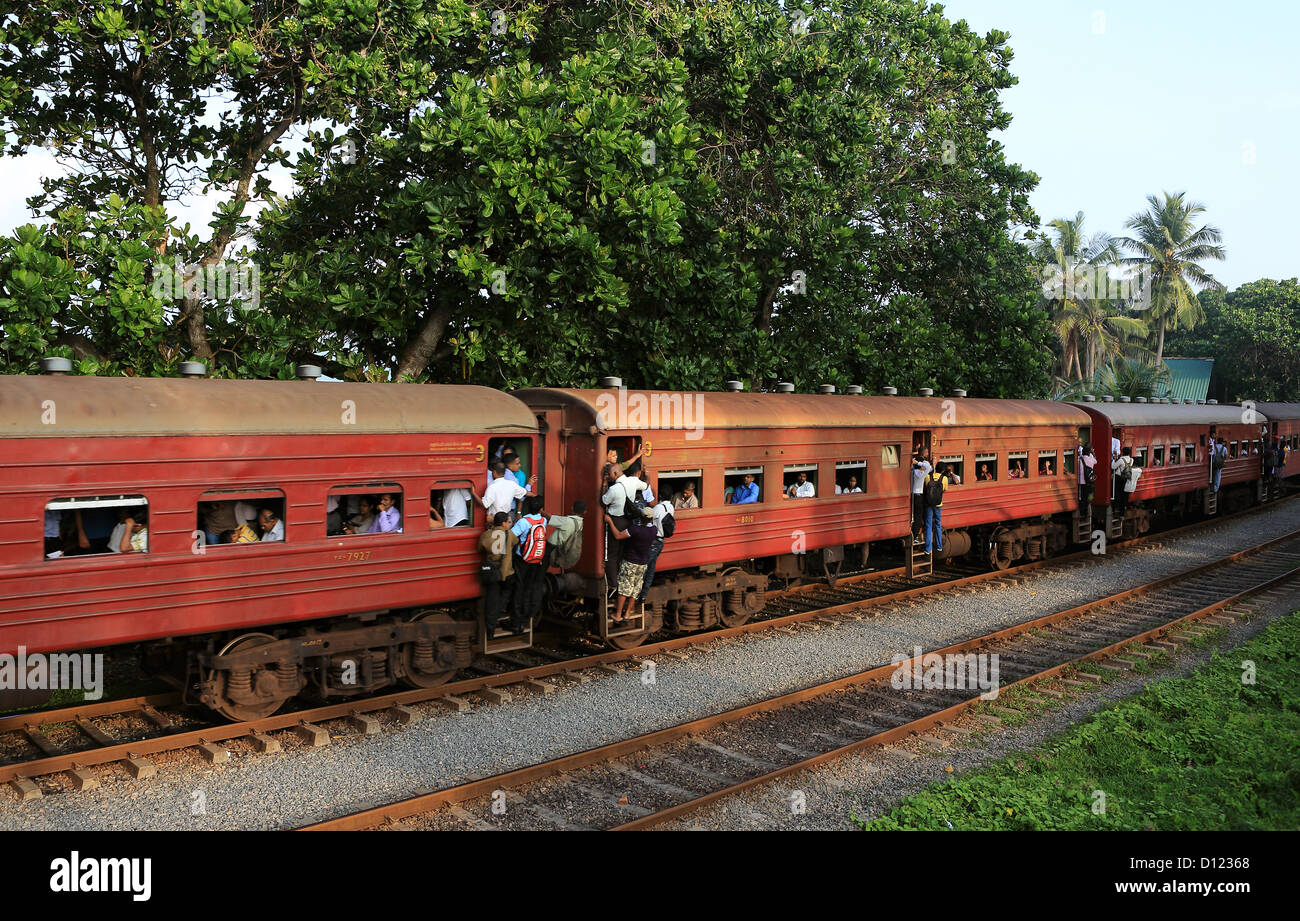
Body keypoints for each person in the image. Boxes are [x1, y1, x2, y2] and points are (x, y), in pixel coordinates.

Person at [609, 515, 658, 623]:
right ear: (651, 519)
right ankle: (627, 614)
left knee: (624, 588)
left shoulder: (635, 529)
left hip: (630, 562)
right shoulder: (654, 530)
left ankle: (618, 615)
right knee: (635, 589)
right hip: (643, 564)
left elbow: (617, 536)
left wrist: (610, 521)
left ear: (641, 518)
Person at [509, 497, 548, 633]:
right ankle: (526, 618)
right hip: (536, 560)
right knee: (528, 588)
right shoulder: (543, 521)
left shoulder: (524, 521)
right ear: (540, 509)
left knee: (518, 589)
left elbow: (511, 536)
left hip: (523, 560)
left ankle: (516, 623)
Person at [478, 512, 518, 639]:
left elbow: (480, 548)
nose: (509, 524)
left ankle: (490, 632)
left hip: (492, 574)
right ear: (503, 523)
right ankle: (501, 611)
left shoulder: (486, 535)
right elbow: (515, 543)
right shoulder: (509, 534)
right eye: (508, 522)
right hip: (506, 574)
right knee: (507, 591)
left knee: (491, 601)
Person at [638, 497, 675, 602]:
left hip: (654, 541)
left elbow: (649, 520)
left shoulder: (657, 508)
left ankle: (637, 594)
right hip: (661, 542)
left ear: (660, 496)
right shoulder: (671, 507)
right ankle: (644, 595)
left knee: (644, 567)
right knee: (651, 569)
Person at [547, 500, 587, 570]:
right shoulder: (580, 523)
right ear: (584, 512)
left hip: (552, 546)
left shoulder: (566, 521)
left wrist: (540, 511)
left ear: (572, 508)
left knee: (543, 563)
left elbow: (550, 518)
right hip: (564, 547)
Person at [922, 464, 948, 555]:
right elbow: (944, 490)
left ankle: (928, 549)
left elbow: (925, 488)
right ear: (943, 471)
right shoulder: (944, 479)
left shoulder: (928, 477)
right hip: (938, 504)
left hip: (929, 504)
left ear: (935, 469)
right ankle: (939, 546)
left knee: (928, 526)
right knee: (938, 524)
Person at [911, 448, 932, 542]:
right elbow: (929, 467)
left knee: (912, 515)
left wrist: (914, 462)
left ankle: (913, 533)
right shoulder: (920, 474)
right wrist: (918, 463)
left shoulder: (912, 471)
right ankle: (915, 536)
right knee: (918, 516)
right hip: (918, 496)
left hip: (911, 495)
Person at [1112, 447, 1139, 512]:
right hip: (1127, 478)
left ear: (1123, 452)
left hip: (1119, 478)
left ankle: (1116, 508)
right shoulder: (1131, 460)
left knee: (1118, 493)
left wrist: (1114, 459)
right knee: (1125, 495)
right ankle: (1122, 511)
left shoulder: (1121, 460)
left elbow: (1113, 467)